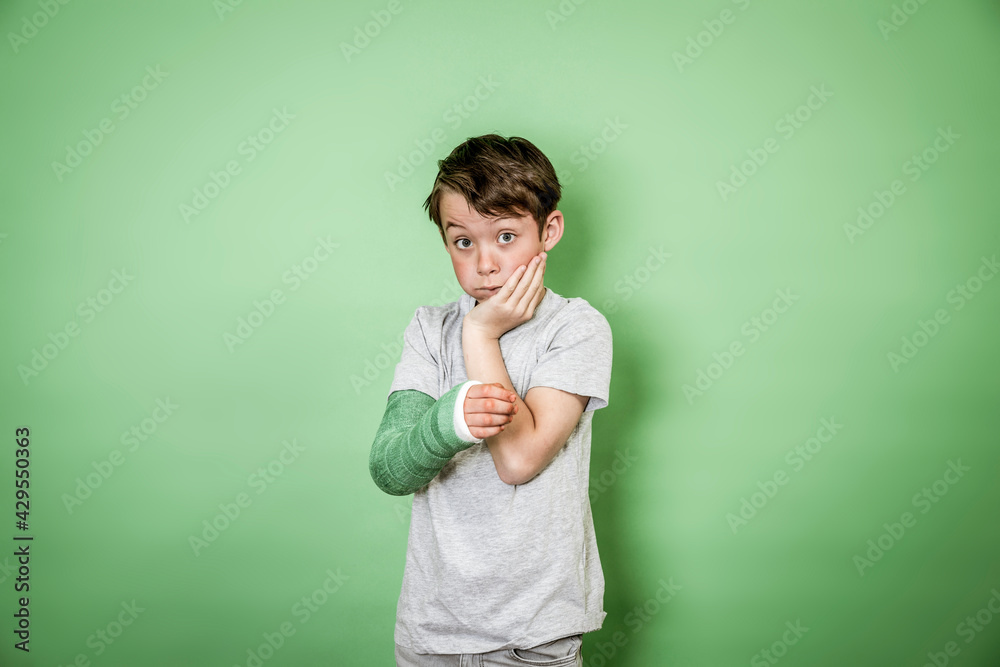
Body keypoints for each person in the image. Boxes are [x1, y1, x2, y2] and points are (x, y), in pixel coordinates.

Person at [369, 134, 613, 666]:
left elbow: (519, 459)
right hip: (433, 631)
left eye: (506, 236)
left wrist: (480, 336)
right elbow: (390, 468)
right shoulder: (429, 330)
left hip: (535, 634)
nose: (485, 263)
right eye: (463, 242)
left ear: (549, 230)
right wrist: (449, 421)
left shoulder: (576, 329)